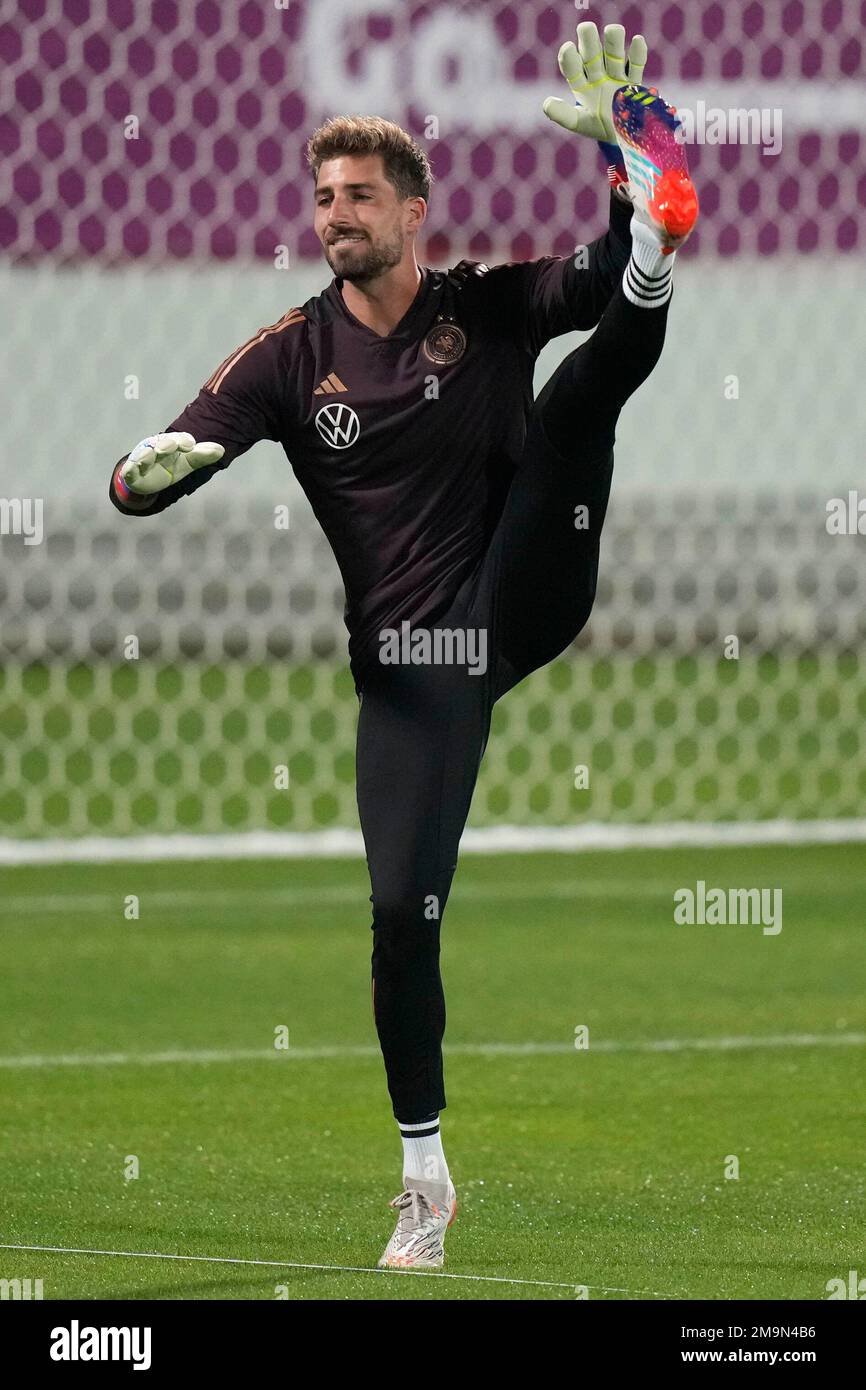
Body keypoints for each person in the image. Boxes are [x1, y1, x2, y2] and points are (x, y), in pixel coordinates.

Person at [108, 20, 698, 1269]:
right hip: (414, 668)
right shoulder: (288, 356)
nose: (336, 213)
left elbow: (580, 277)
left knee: (575, 391)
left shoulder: (477, 305)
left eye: (361, 195)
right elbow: (173, 449)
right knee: (397, 913)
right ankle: (423, 1184)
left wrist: (635, 141)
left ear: (415, 210)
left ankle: (666, 253)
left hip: (522, 590)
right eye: (322, 197)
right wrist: (146, 474)